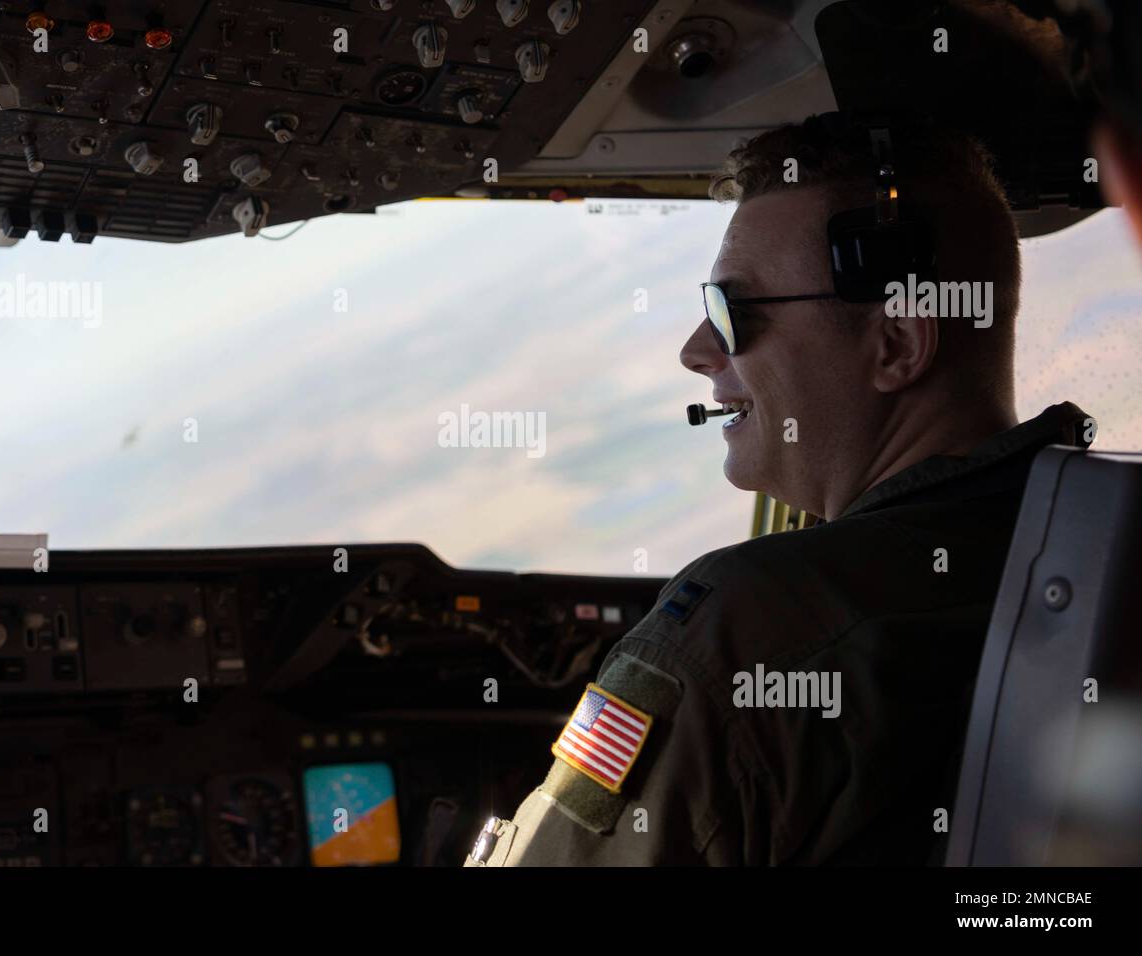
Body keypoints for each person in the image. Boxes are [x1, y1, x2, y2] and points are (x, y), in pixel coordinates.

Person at [466, 115, 1090, 866]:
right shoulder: (1089, 551)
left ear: (896, 344)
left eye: (733, 313)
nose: (696, 351)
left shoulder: (747, 630)